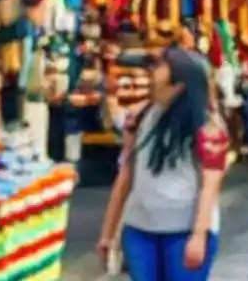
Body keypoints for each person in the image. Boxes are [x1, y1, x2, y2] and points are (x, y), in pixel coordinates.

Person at [97, 47, 229, 280]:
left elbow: (210, 184)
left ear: (179, 82)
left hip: (184, 231)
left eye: (159, 66)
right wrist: (108, 233)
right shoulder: (139, 118)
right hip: (139, 230)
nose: (150, 72)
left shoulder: (207, 126)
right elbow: (126, 175)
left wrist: (199, 235)